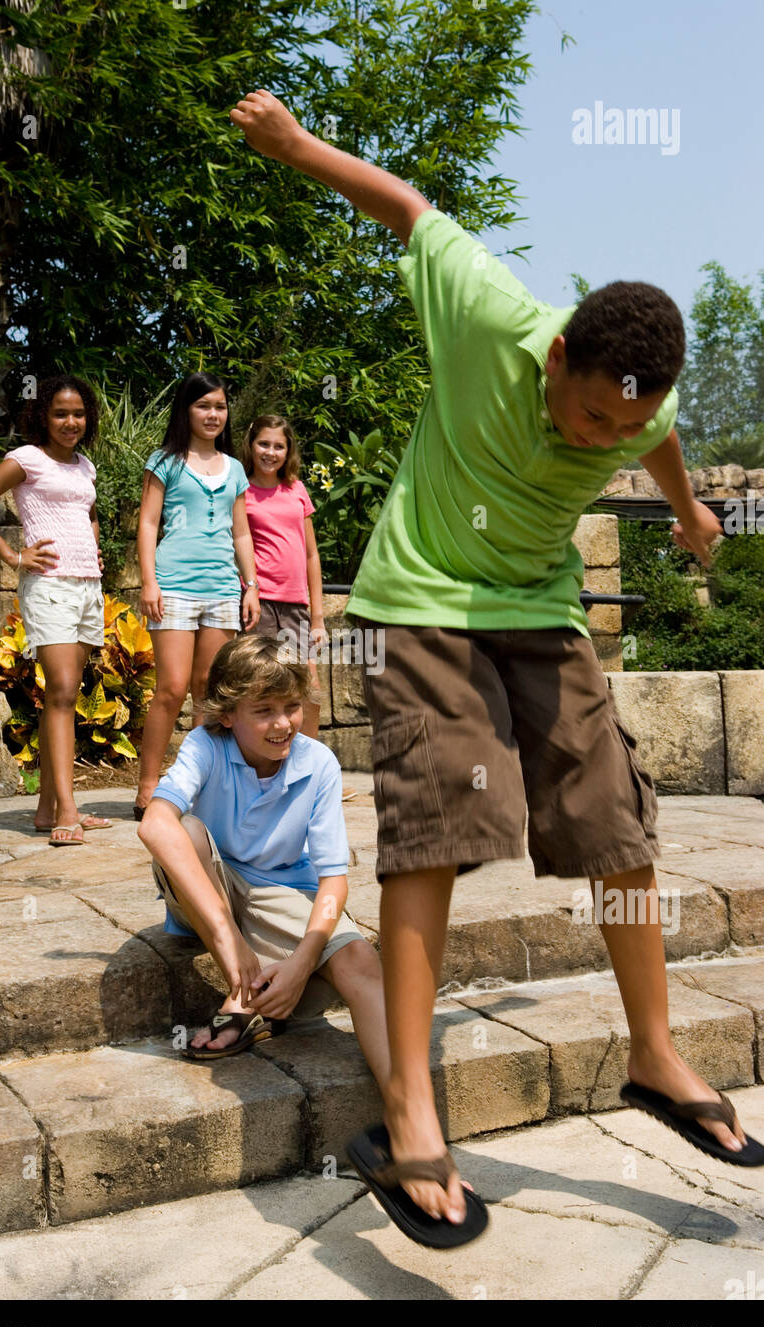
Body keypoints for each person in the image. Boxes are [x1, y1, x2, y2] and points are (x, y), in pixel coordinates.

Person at [230, 89, 763, 1246]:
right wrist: (292, 146)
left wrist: (685, 513)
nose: (592, 441)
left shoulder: (635, 399)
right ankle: (412, 1108)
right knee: (441, 827)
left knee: (615, 817)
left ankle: (654, 1050)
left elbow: (658, 434)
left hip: (537, 607)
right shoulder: (488, 310)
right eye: (579, 417)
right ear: (556, 354)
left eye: (611, 430)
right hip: (419, 600)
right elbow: (405, 207)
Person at [136, 634, 391, 1094]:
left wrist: (300, 963)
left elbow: (334, 881)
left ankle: (409, 1118)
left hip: (281, 893)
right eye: (263, 711)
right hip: (208, 889)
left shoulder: (319, 764)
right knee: (185, 829)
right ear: (228, 715)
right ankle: (241, 992)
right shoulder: (206, 745)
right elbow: (155, 825)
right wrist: (227, 937)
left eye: (291, 706)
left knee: (361, 961)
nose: (283, 724)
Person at [0, 375, 112, 846]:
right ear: (43, 415)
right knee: (62, 691)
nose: (70, 422)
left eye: (79, 414)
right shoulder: (26, 459)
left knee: (68, 692)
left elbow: (88, 515)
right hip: (49, 586)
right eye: (61, 413)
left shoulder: (85, 466)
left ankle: (46, 808)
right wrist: (13, 555)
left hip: (87, 587)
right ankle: (68, 810)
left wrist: (93, 549)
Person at [133, 372, 261, 819]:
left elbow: (241, 533)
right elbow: (147, 525)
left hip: (223, 589)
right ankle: (149, 785)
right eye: (204, 405)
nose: (213, 414)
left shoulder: (236, 468)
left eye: (220, 406)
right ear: (186, 410)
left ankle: (199, 784)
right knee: (170, 688)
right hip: (173, 586)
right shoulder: (164, 461)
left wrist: (251, 586)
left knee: (209, 693)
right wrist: (149, 583)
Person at [241, 414, 327, 740]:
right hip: (258, 603)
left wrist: (317, 618)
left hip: (296, 607)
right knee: (261, 687)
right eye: (264, 443)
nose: (270, 452)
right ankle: (262, 767)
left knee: (309, 689)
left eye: (279, 446)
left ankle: (310, 767)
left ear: (288, 450)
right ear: (251, 445)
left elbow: (311, 555)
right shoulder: (240, 491)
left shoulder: (296, 489)